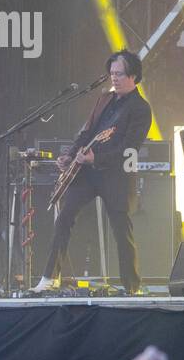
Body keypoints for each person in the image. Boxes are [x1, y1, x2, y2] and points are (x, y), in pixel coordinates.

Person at [34, 51, 152, 294]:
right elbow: (87, 132)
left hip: (116, 175)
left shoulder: (140, 109)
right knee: (64, 217)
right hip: (88, 172)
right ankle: (48, 278)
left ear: (134, 76)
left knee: (121, 229)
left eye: (119, 74)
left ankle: (132, 287)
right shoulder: (104, 100)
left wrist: (97, 157)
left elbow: (129, 149)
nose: (114, 79)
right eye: (112, 74)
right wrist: (71, 154)